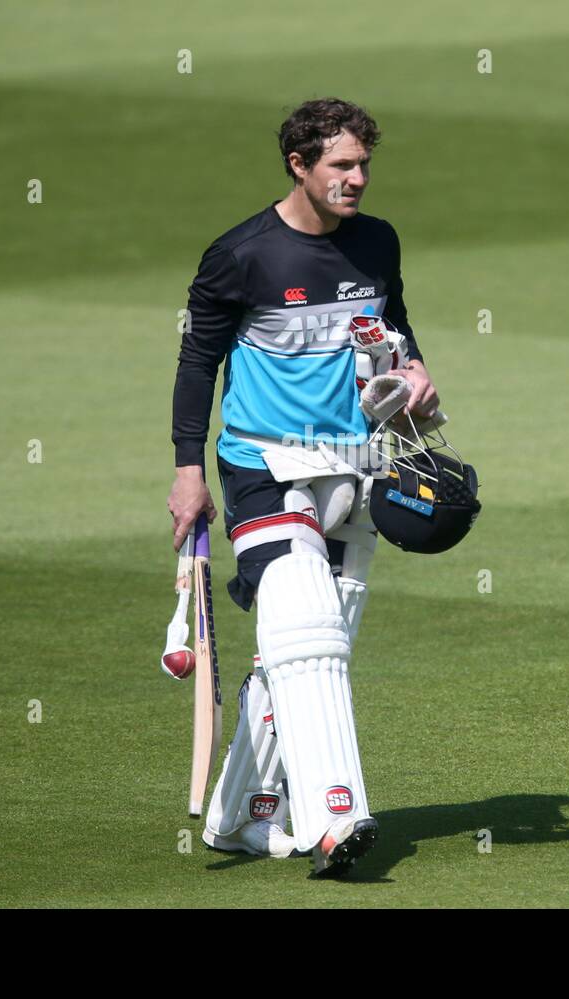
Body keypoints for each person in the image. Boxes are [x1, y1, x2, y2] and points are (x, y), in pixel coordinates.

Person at [166, 97, 439, 877]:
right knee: (311, 633)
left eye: (363, 166)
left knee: (308, 649)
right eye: (340, 166)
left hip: (357, 462)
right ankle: (334, 819)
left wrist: (413, 370)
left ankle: (239, 816)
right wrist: (190, 469)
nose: (356, 180)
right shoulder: (241, 255)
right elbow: (198, 364)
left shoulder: (376, 242)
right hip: (263, 465)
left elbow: (395, 323)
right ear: (299, 165)